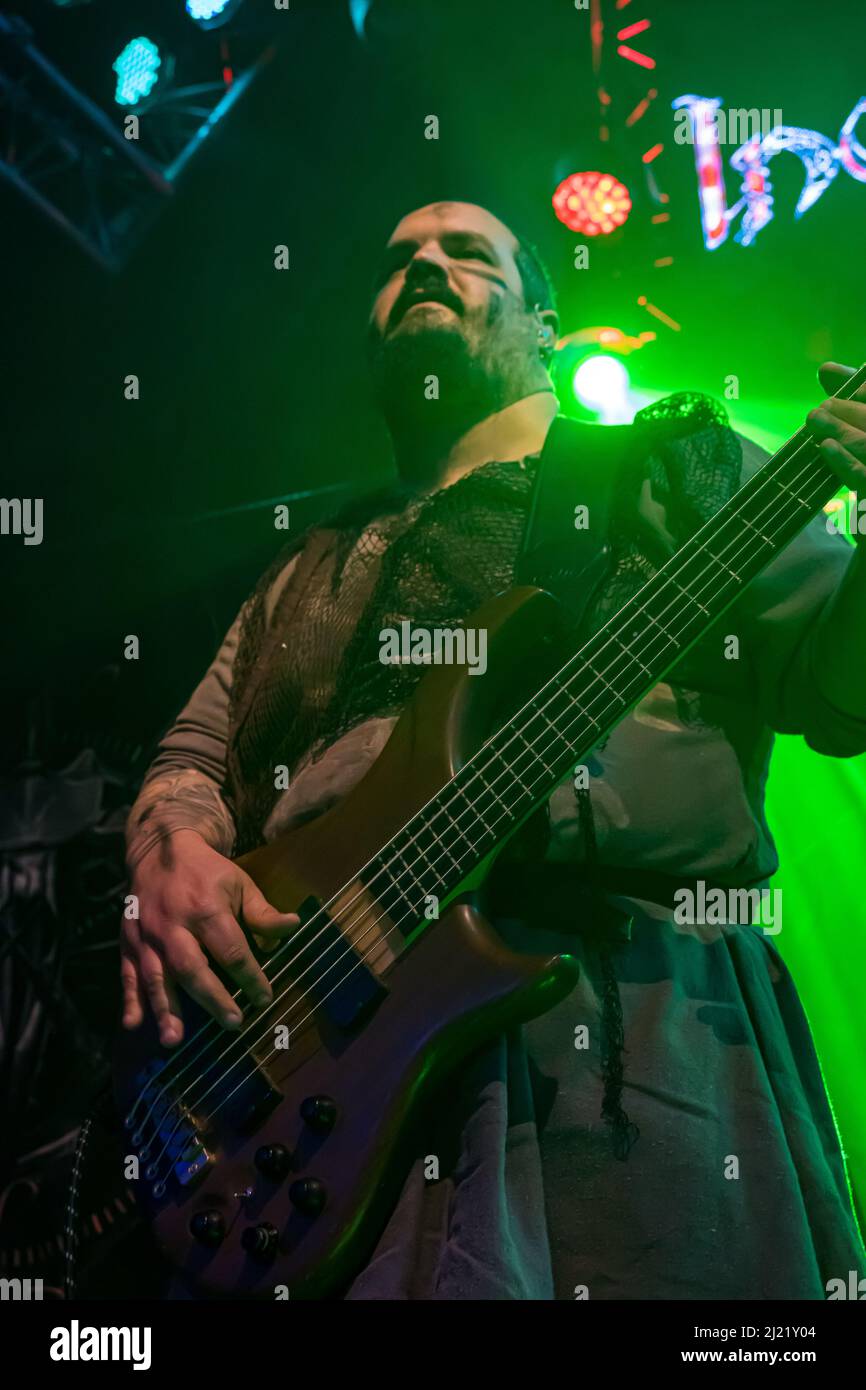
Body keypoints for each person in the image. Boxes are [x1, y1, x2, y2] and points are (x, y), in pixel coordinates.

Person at [120, 200, 866, 1300]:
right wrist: (164, 853)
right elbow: (193, 754)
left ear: (546, 323)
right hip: (304, 1059)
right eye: (397, 257)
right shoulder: (298, 570)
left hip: (623, 1025)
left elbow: (838, 694)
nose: (423, 262)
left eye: (467, 252)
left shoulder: (670, 464)